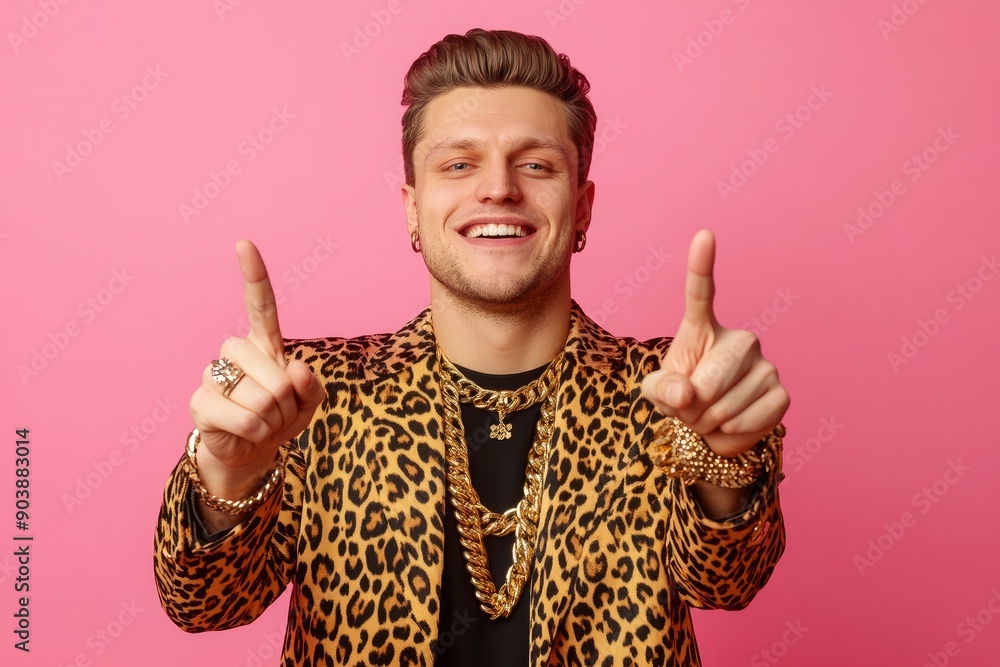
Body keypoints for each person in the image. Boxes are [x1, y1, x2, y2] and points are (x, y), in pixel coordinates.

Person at [154, 28, 790, 666]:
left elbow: (726, 583)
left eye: (536, 164)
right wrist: (227, 475)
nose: (498, 189)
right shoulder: (309, 393)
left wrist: (724, 462)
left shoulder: (670, 390)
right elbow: (202, 602)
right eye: (458, 164)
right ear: (412, 209)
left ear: (584, 208)